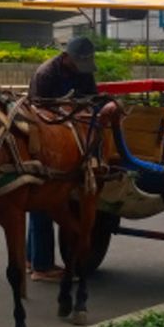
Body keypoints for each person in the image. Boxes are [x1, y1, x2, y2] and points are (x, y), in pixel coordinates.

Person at [26, 36, 98, 282]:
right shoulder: (46, 73)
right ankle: (42, 266)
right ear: (66, 57)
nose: (81, 68)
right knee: (43, 200)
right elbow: (37, 113)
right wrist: (65, 108)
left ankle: (31, 258)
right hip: (46, 137)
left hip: (74, 133)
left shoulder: (85, 72)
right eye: (78, 62)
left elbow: (92, 98)